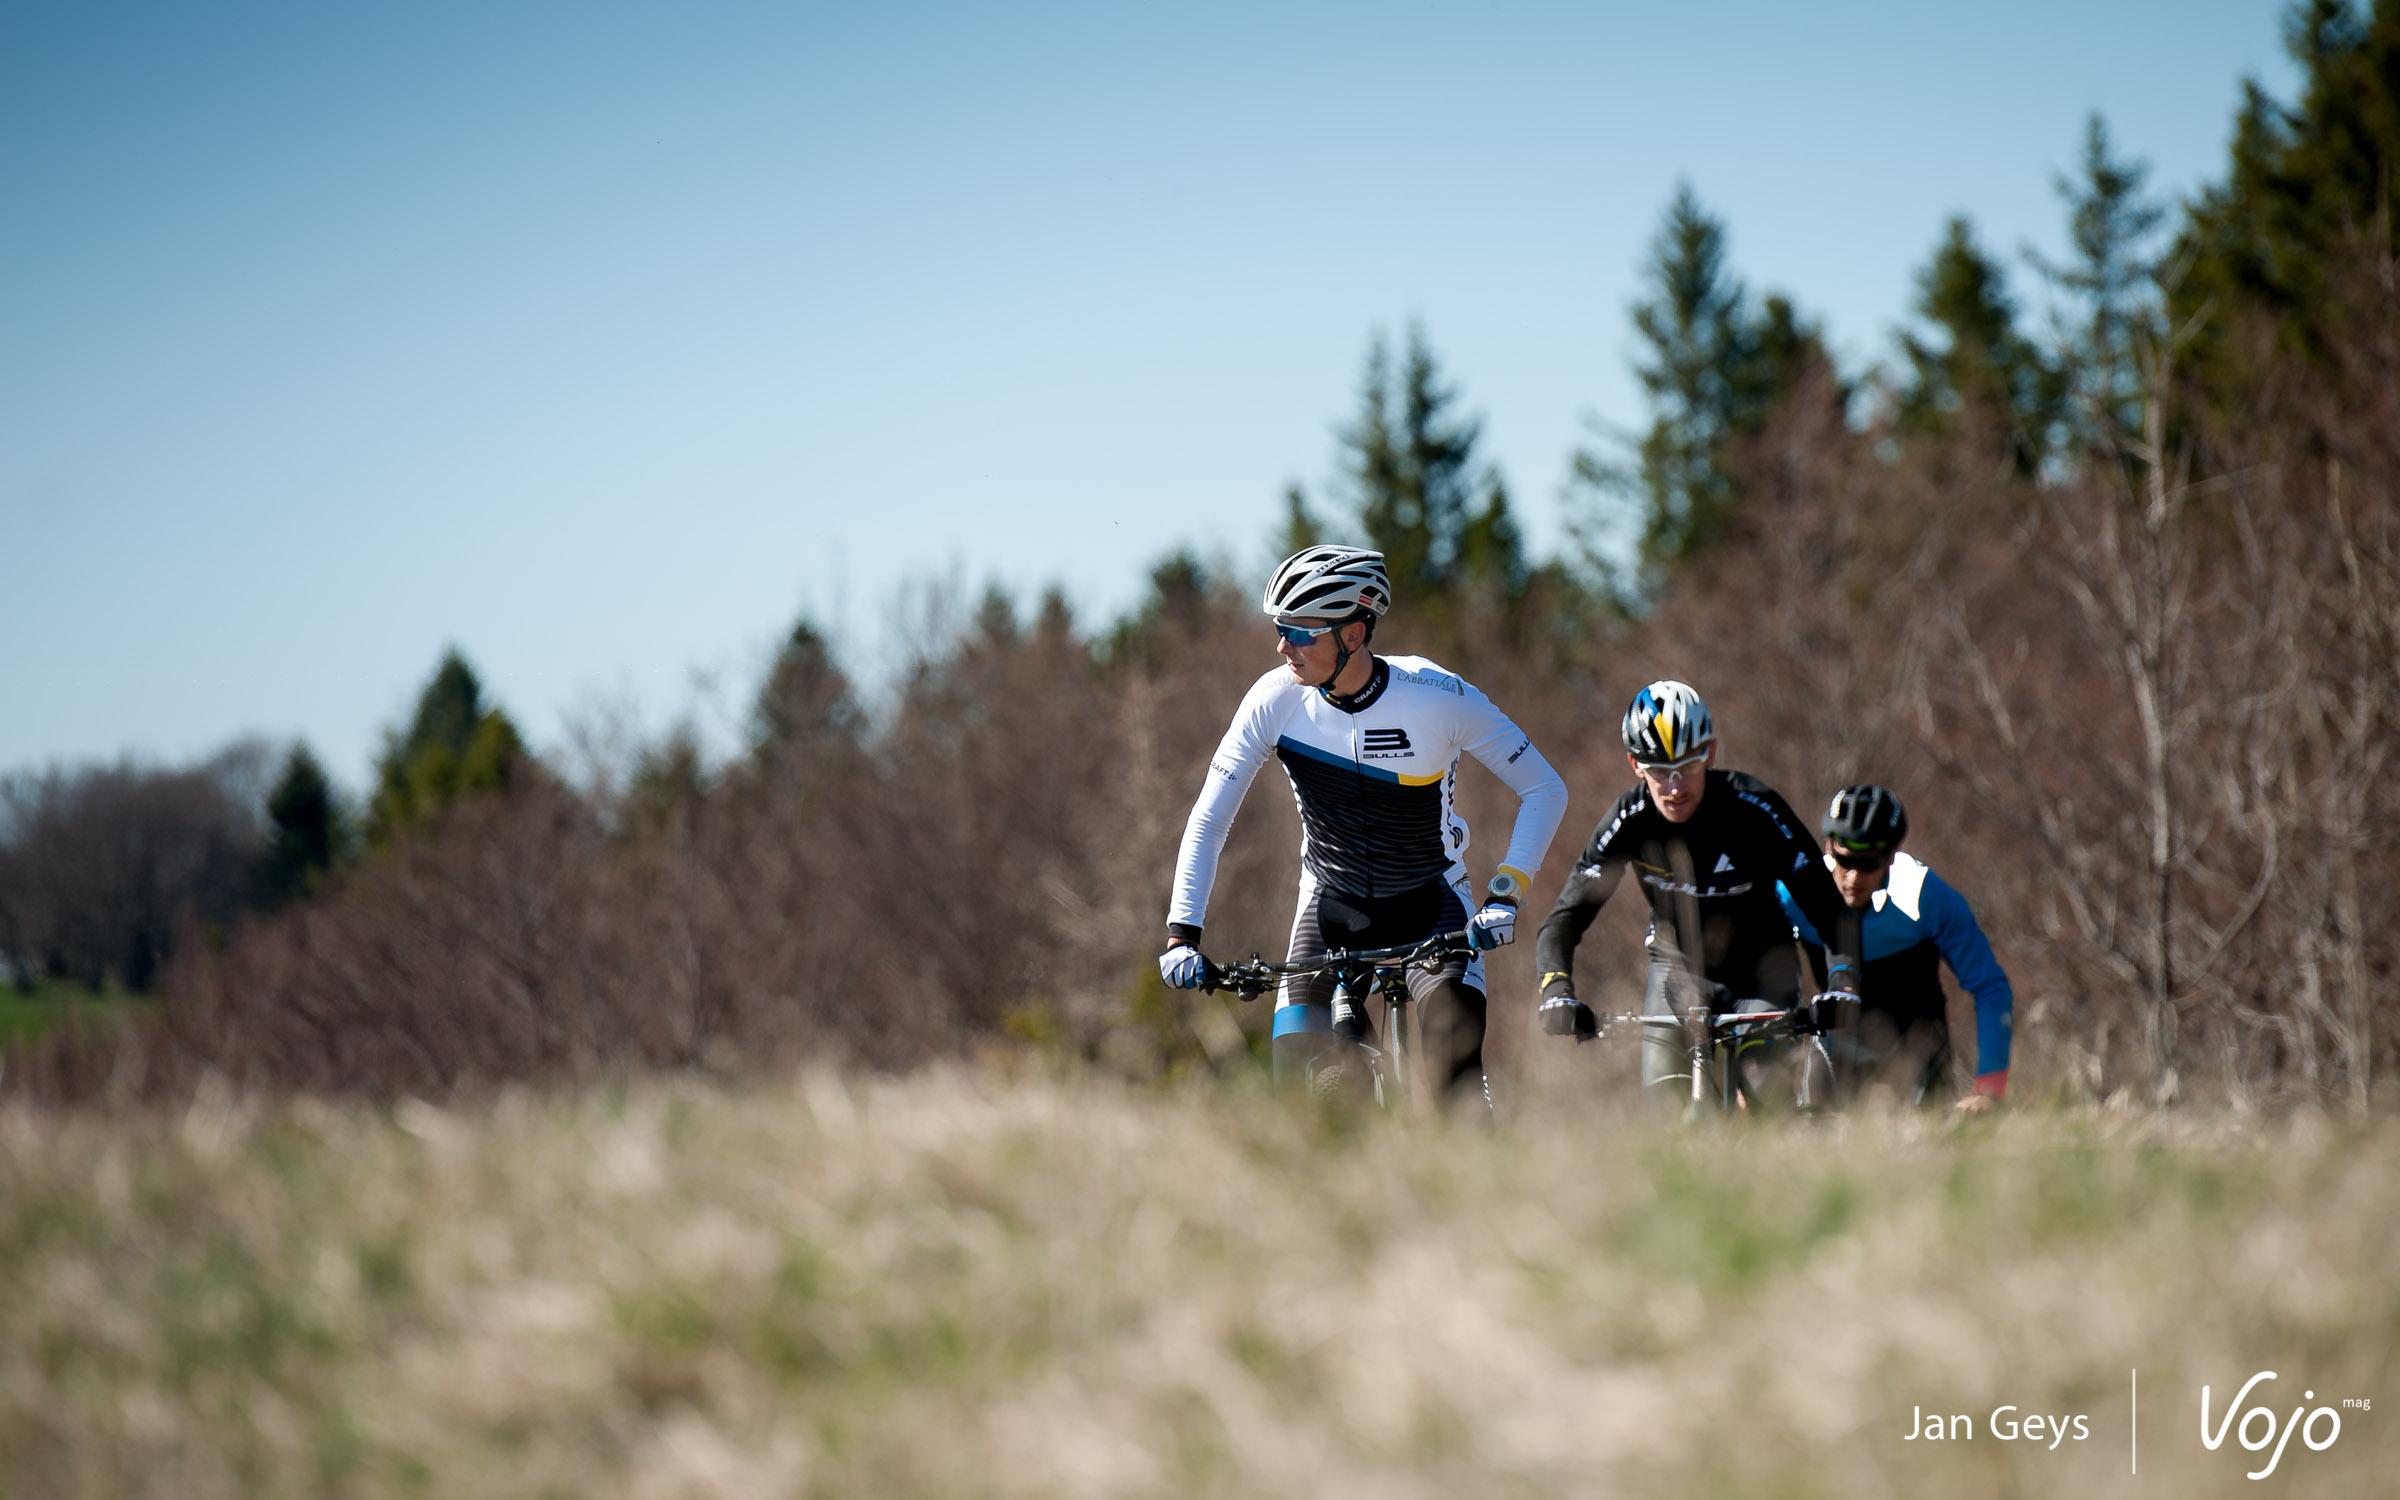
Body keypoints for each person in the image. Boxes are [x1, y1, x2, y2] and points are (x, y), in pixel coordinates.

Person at [1157, 544, 1569, 1108]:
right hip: (1331, 908)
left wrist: (1506, 894)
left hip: (1432, 906)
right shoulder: (1275, 700)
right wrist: (1184, 935)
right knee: (1295, 1083)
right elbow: (1209, 818)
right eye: (1281, 629)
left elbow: (1545, 789)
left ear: (1353, 634)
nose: (1284, 648)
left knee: (1456, 1084)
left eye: (1302, 632)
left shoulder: (1435, 694)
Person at [1532, 681, 1862, 1106]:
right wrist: (1556, 990)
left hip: (1761, 964)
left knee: (1768, 1093)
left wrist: (1843, 983)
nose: (1674, 786)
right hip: (1677, 967)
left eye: (1687, 767)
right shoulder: (1628, 821)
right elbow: (1564, 919)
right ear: (1634, 764)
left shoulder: (1755, 808)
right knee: (1665, 1104)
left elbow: (1830, 909)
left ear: (1710, 752)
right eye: (1658, 771)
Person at [1778, 784, 2014, 1113]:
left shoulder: (1926, 897)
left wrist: (1989, 1091)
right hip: (1838, 1052)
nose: (1853, 877)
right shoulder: (1794, 895)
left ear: (1891, 855)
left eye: (1869, 863)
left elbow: (1990, 987)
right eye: (1844, 861)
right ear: (1829, 845)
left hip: (1916, 1056)